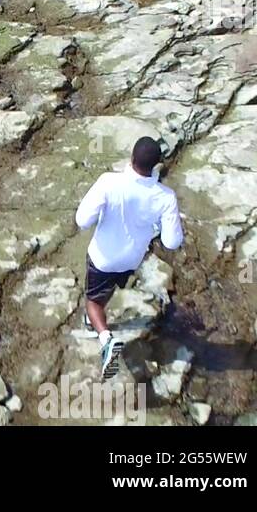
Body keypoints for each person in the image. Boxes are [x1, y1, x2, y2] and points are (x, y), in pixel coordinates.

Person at [75, 136, 184, 380]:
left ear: (131, 158)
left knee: (92, 301)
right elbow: (172, 242)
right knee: (109, 285)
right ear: (156, 165)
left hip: (102, 257)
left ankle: (106, 339)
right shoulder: (166, 197)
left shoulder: (109, 182)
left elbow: (82, 221)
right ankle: (99, 317)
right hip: (131, 260)